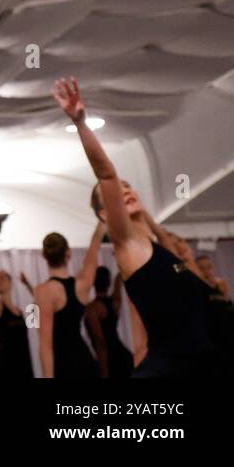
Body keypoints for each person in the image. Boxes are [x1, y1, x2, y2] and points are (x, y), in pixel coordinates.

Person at [55, 76, 216, 378]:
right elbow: (105, 174)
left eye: (129, 186)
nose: (124, 190)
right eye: (117, 192)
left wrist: (148, 218)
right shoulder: (129, 246)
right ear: (105, 216)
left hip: (201, 366)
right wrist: (80, 123)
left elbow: (175, 257)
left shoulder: (159, 249)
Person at [34, 225, 101, 379]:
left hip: (63, 365)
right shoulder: (82, 285)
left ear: (44, 255)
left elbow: (45, 343)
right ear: (68, 253)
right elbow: (91, 256)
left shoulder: (42, 291)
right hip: (85, 360)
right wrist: (100, 227)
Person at [84, 268, 133, 379]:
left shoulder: (92, 309)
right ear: (108, 282)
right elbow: (118, 281)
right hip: (123, 356)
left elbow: (101, 343)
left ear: (93, 282)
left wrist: (104, 373)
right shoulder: (115, 302)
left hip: (109, 361)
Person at [0, 271, 34, 379]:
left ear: (10, 282)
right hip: (6, 367)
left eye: (2, 278)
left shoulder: (19, 311)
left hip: (24, 364)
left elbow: (41, 302)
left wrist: (27, 284)